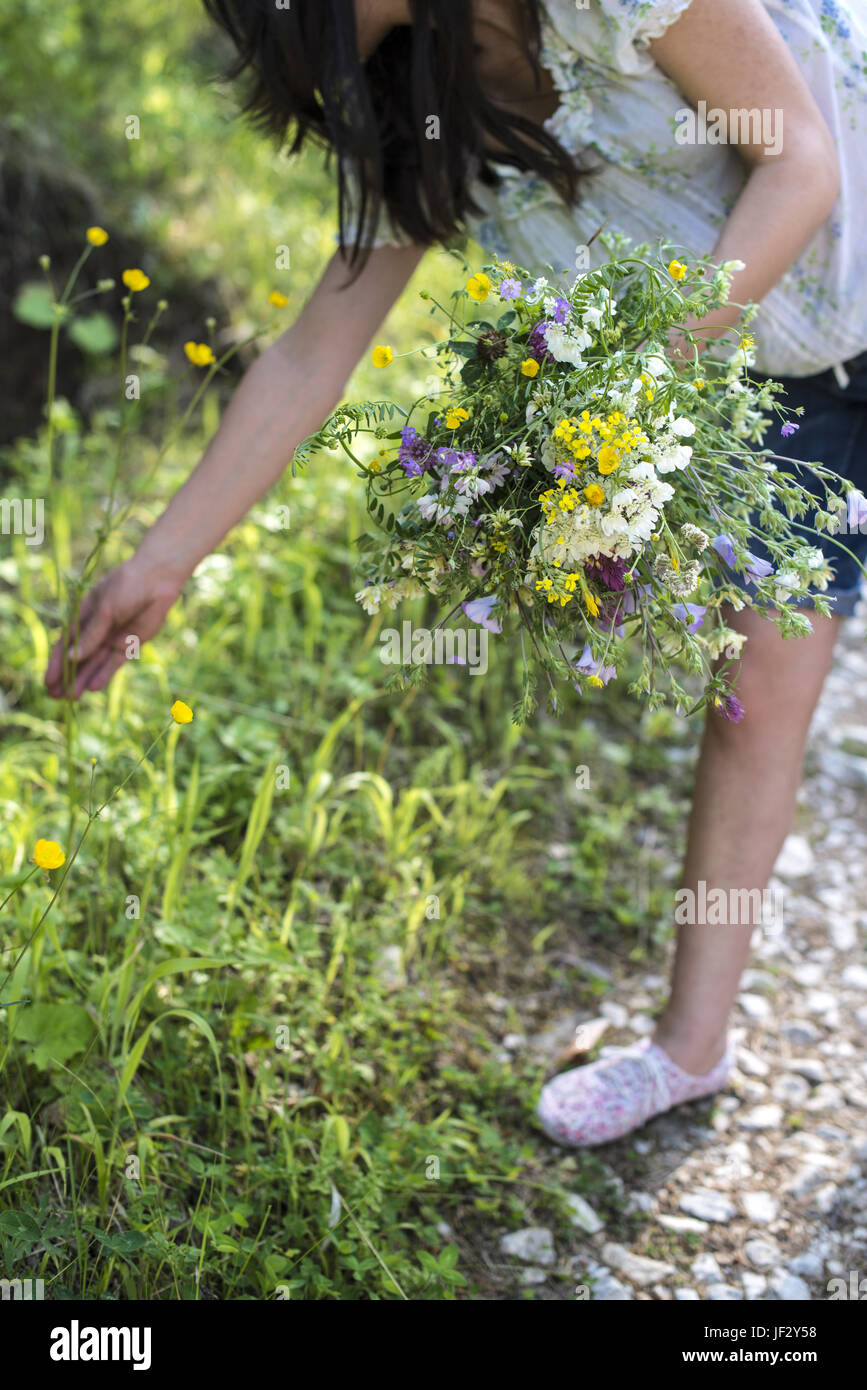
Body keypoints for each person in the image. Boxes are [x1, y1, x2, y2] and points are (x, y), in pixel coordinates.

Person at [45, 0, 867, 1146]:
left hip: (794, 282)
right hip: (767, 378)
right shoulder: (412, 104)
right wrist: (162, 561)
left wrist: (634, 385)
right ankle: (692, 1050)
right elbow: (309, 355)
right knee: (754, 703)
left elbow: (803, 162)